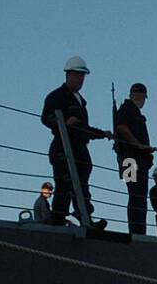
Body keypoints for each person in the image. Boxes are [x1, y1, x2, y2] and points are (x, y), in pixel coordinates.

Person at [41, 55, 109, 230]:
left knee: (82, 184)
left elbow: (82, 128)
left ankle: (85, 217)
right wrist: (62, 122)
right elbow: (46, 118)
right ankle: (58, 220)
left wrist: (101, 134)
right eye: (77, 75)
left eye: (82, 76)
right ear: (68, 74)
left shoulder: (79, 100)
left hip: (79, 149)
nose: (80, 79)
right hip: (63, 147)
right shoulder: (56, 96)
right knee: (65, 184)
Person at [114, 83, 156, 235]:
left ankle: (137, 229)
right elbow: (122, 128)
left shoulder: (131, 110)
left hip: (129, 160)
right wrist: (139, 146)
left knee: (136, 195)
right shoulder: (128, 109)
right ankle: (137, 230)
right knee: (137, 195)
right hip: (131, 160)